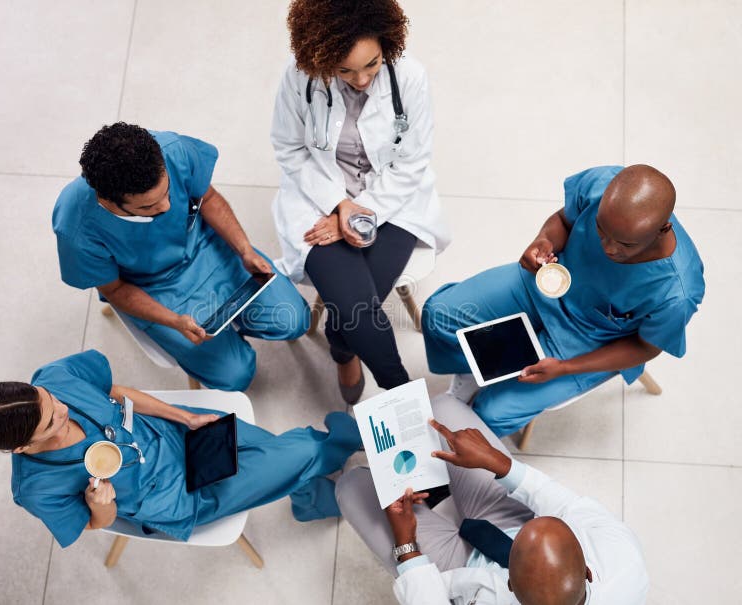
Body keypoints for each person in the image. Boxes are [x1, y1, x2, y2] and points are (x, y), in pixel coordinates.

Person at [0, 349, 362, 548]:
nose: (63, 410)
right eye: (52, 422)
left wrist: (184, 417)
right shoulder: (36, 489)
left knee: (282, 459)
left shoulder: (54, 378)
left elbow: (113, 391)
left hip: (178, 433)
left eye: (51, 400)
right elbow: (94, 523)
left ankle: (313, 497)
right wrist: (101, 503)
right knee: (301, 452)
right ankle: (341, 446)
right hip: (181, 495)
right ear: (22, 448)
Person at [422, 164, 705, 436]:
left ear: (663, 229)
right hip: (544, 285)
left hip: (588, 340)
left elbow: (644, 347)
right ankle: (472, 369)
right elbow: (563, 220)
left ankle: (486, 382)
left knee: (492, 413)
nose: (608, 248)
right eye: (600, 230)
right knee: (438, 314)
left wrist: (565, 368)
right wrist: (544, 240)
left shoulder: (677, 292)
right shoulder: (601, 183)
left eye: (625, 244)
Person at [271, 0, 451, 403]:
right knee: (356, 304)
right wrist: (339, 205)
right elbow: (289, 148)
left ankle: (341, 347)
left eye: (372, 64)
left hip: (393, 199)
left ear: (387, 42)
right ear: (322, 57)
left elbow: (412, 163)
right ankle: (402, 395)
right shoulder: (299, 77)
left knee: (353, 308)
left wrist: (357, 213)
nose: (363, 79)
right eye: (345, 71)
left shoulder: (410, 77)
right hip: (318, 195)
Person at [53, 122, 310, 391]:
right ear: (108, 202)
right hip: (155, 292)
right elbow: (114, 290)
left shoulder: (172, 150)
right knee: (236, 375)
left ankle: (234, 327)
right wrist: (173, 322)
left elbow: (208, 198)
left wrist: (244, 249)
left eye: (167, 192)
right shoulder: (76, 227)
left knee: (296, 320)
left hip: (209, 249)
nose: (167, 206)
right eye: (149, 207)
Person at [336, 394, 648, 604]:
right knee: (442, 407)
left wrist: (407, 546)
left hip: (457, 571)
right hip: (512, 517)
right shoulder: (622, 558)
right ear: (588, 572)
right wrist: (499, 463)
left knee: (351, 487)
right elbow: (566, 505)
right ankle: (435, 482)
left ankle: (326, 489)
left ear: (511, 585)